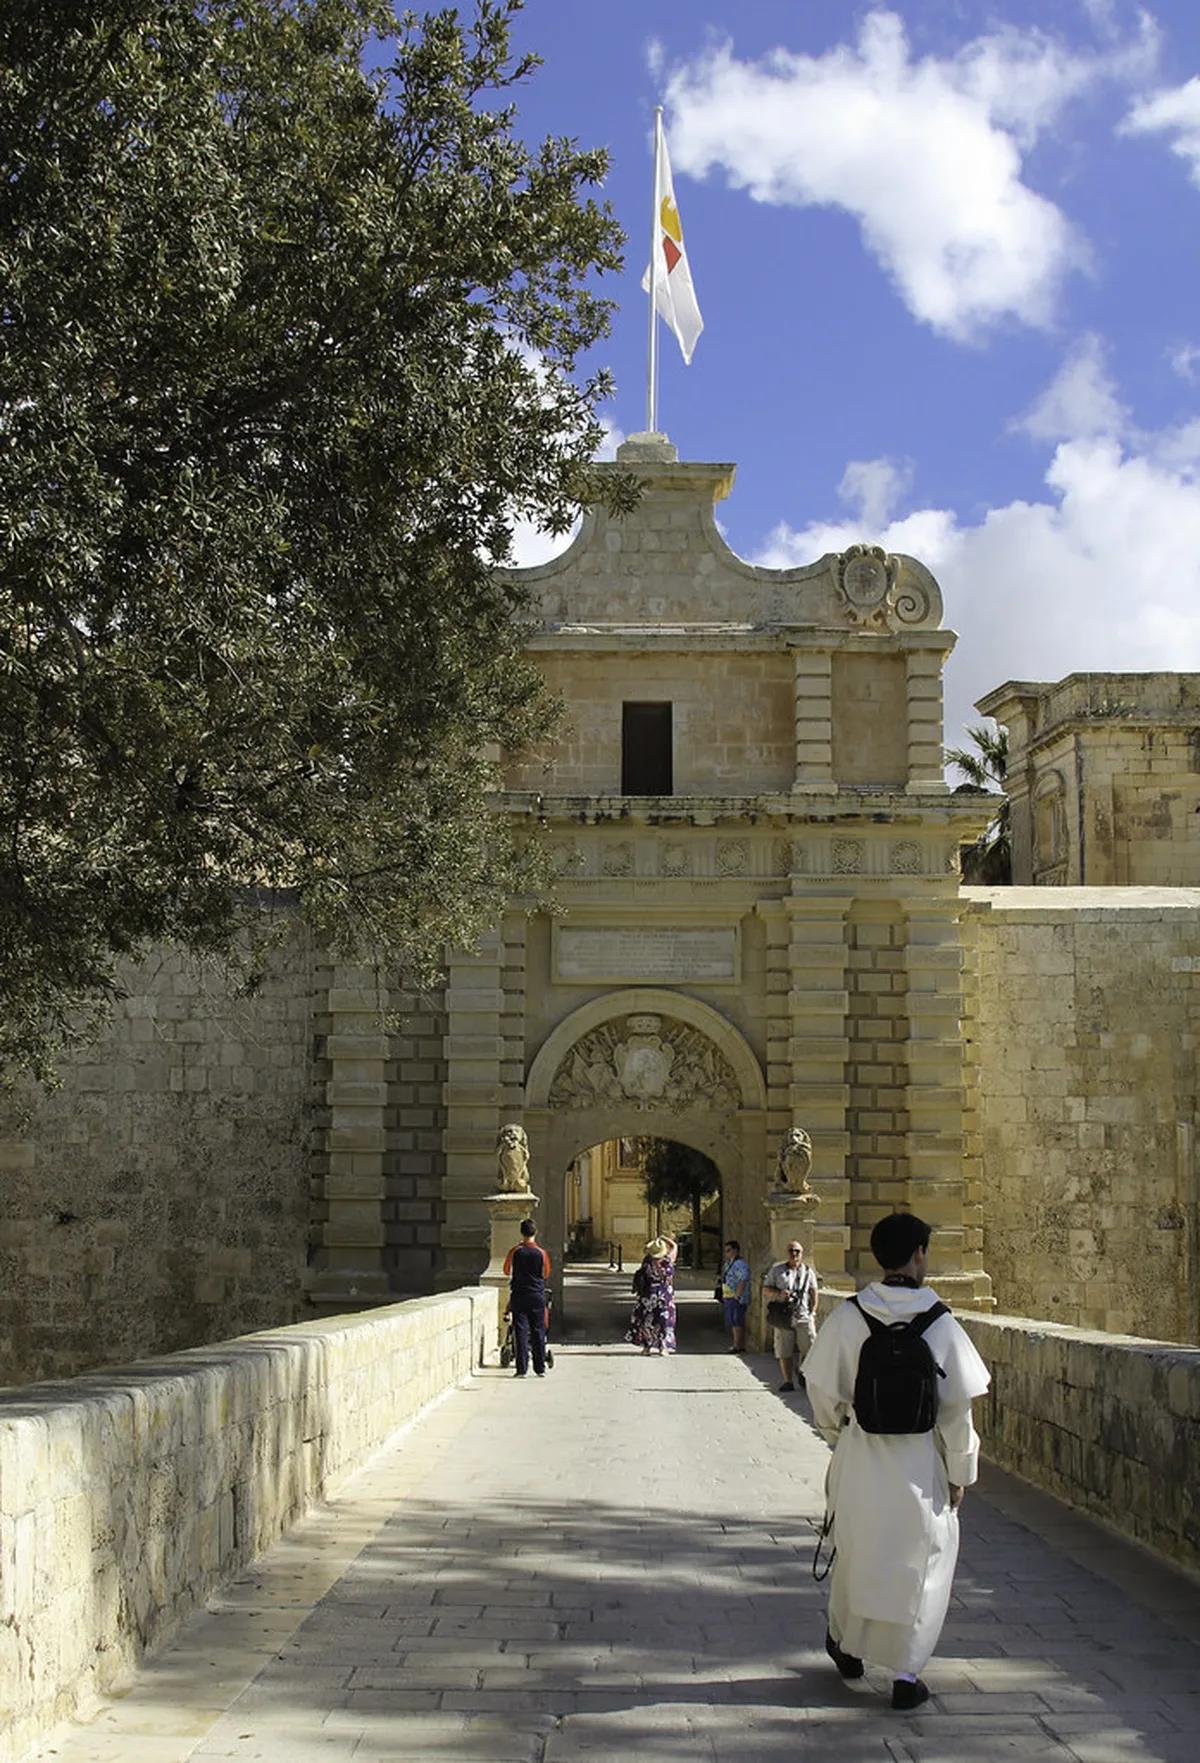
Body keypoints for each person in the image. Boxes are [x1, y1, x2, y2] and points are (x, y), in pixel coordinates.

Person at [802, 1211, 990, 1713]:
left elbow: (821, 1391)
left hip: (862, 1457)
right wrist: (961, 1473)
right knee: (922, 1565)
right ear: (919, 1255)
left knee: (856, 1553)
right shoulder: (941, 1323)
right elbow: (957, 1411)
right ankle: (907, 1672)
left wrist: (841, 1433)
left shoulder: (850, 1317)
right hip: (919, 1464)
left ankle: (846, 1643)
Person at [762, 1239, 818, 1391]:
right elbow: (765, 1290)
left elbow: (814, 1293)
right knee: (784, 1350)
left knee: (810, 1348)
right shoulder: (777, 1270)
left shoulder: (808, 1272)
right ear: (786, 1253)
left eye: (797, 1251)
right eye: (791, 1251)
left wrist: (813, 1312)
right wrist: (779, 1294)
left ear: (802, 1253)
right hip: (783, 1315)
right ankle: (788, 1381)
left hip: (803, 1315)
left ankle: (802, 1371)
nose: (794, 1254)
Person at [502, 1218, 551, 1379]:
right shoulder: (542, 1253)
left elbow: (506, 1270)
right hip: (537, 1295)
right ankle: (540, 1368)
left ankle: (521, 1369)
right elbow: (546, 1273)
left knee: (521, 1331)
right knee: (538, 1330)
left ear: (521, 1233)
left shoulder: (515, 1251)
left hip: (519, 1295)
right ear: (535, 1232)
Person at [626, 1233, 678, 1355]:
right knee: (662, 1322)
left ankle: (648, 1347)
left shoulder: (647, 1262)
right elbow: (674, 1246)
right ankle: (660, 1347)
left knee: (648, 1322)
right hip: (663, 1297)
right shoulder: (668, 1261)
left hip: (648, 1297)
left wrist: (655, 1242)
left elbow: (647, 1249)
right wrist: (663, 1238)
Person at [719, 1238, 751, 1353]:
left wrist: (738, 1295)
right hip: (728, 1295)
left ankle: (738, 1345)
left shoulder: (740, 1264)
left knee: (737, 1321)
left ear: (736, 1250)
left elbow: (743, 1279)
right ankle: (736, 1344)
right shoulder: (728, 1263)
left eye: (729, 1250)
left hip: (736, 1297)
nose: (727, 1253)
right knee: (733, 1321)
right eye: (725, 1251)